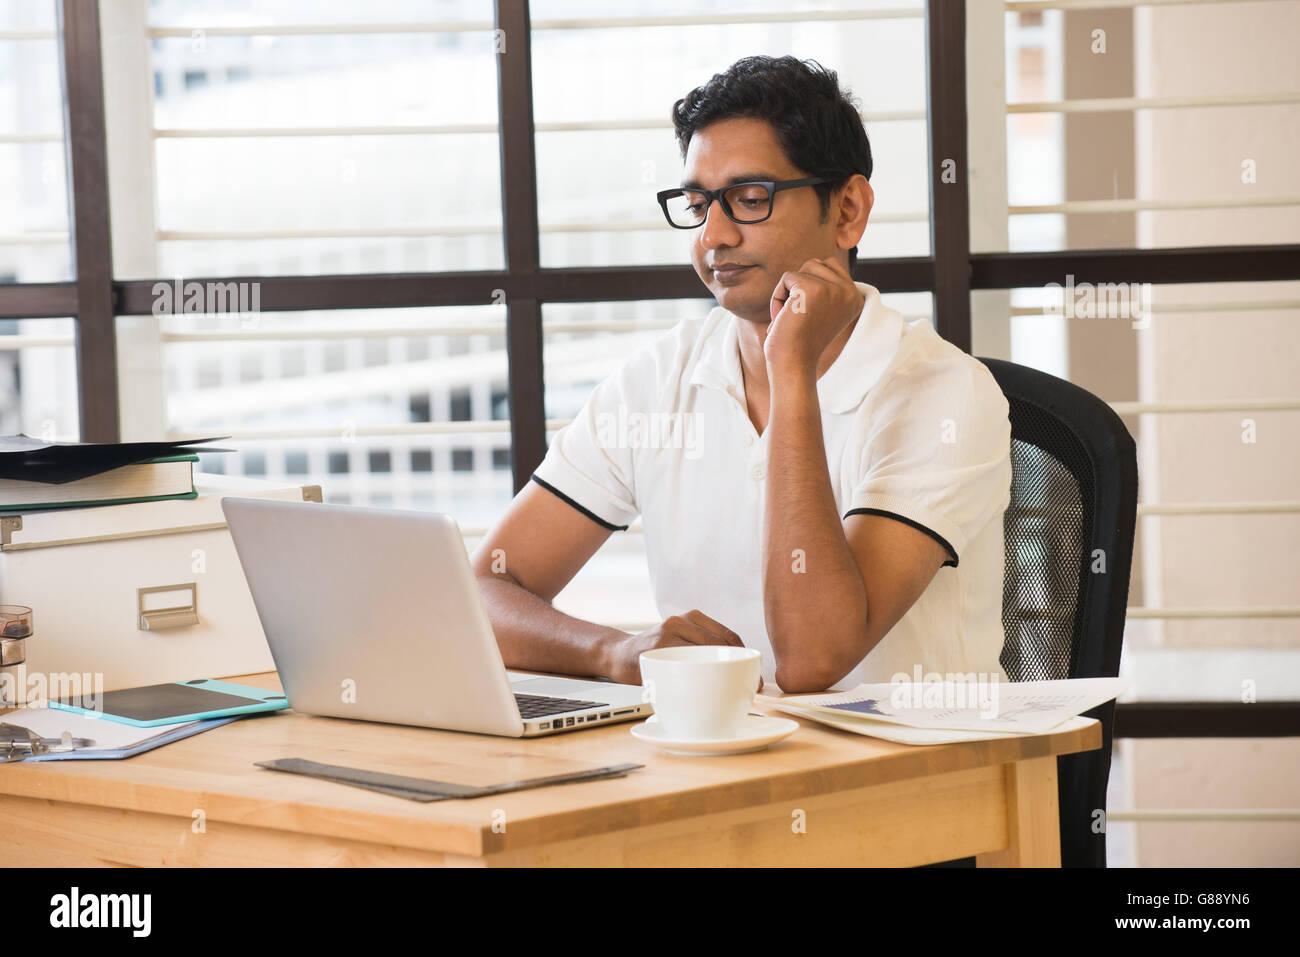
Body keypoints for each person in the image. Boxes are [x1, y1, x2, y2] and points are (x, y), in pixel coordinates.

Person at [470, 55, 1011, 694]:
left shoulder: (947, 394)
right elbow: (484, 589)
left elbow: (812, 660)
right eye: (698, 204)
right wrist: (616, 653)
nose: (713, 235)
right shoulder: (657, 380)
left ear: (847, 210)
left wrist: (792, 372)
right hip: (718, 773)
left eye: (749, 200)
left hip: (912, 781)